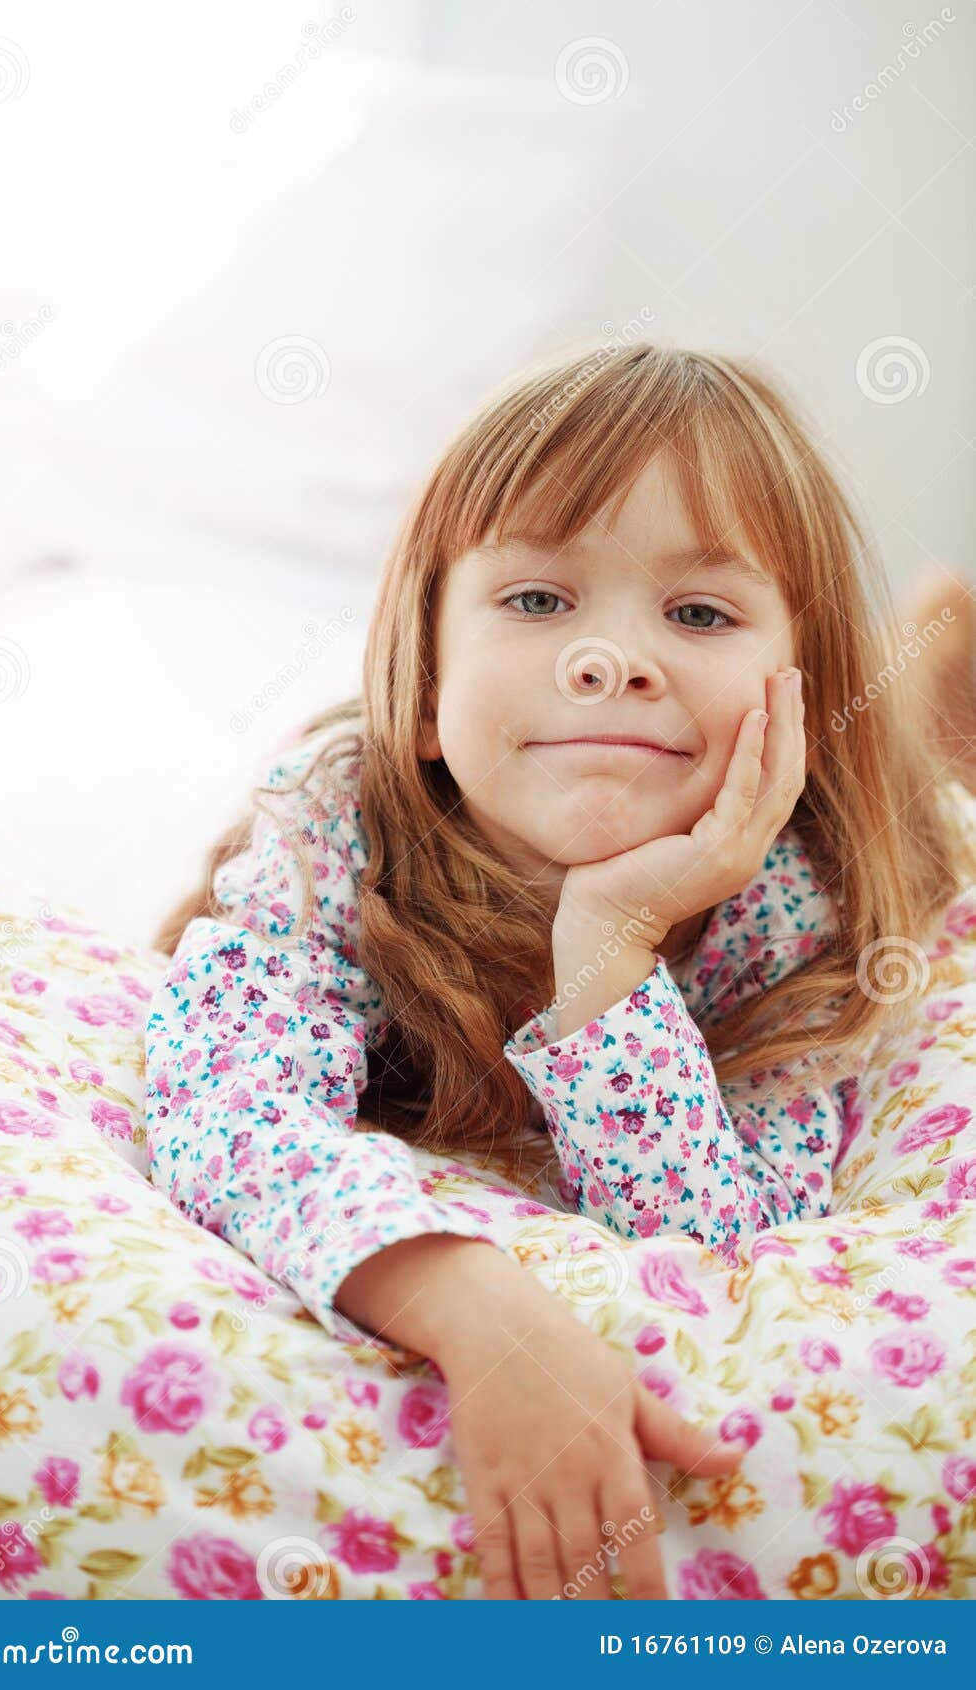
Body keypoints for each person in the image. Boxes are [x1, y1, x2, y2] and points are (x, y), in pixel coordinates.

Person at [145, 341, 976, 1600]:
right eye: (537, 601)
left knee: (938, 793)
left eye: (697, 614)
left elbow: (712, 1253)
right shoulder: (343, 828)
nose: (607, 662)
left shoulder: (792, 906)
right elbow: (228, 1105)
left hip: (884, 805)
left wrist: (609, 948)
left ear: (795, 694)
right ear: (424, 688)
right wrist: (468, 1302)